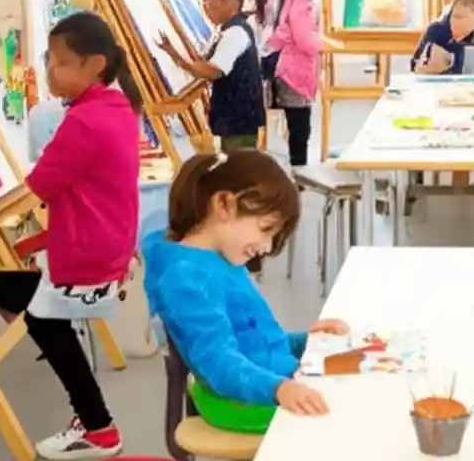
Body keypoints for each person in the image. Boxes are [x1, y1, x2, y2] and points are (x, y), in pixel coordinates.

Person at [0, 12, 141, 459]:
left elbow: (39, 186)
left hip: (87, 253)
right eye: (50, 59)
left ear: (96, 65)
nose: (51, 70)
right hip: (107, 243)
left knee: (3, 290)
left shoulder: (85, 122)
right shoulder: (114, 104)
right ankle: (91, 416)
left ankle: (99, 428)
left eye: (62, 63)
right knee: (33, 308)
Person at [143, 151, 351, 432]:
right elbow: (219, 362)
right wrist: (279, 389)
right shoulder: (186, 277)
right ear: (224, 204)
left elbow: (253, 341)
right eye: (265, 229)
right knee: (346, 416)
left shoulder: (220, 260)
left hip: (259, 384)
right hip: (237, 401)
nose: (266, 247)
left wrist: (308, 341)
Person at [156, 0, 265, 154]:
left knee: (239, 167)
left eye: (212, 4)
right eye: (205, 5)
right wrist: (175, 54)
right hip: (235, 117)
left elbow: (212, 71)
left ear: (232, 2)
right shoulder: (227, 30)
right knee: (236, 163)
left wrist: (181, 61)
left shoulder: (235, 33)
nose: (207, 10)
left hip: (240, 117)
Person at [268, 0, 337, 167]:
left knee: (298, 126)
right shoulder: (304, 0)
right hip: (294, 74)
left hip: (291, 71)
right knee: (300, 128)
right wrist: (330, 45)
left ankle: (298, 171)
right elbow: (304, 38)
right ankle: (299, 173)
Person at [411, 0, 474, 75]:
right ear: (452, 19)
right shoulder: (436, 31)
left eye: (467, 32)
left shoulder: (473, 39)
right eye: (461, 30)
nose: (462, 37)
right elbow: (416, 64)